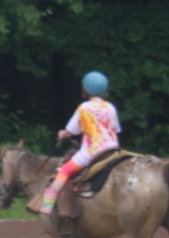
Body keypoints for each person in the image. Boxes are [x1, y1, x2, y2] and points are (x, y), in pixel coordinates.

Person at [39, 71, 121, 215]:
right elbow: (115, 129)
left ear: (86, 89)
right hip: (113, 149)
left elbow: (72, 130)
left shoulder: (84, 108)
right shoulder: (110, 107)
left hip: (92, 151)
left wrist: (62, 134)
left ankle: (46, 206)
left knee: (64, 171)